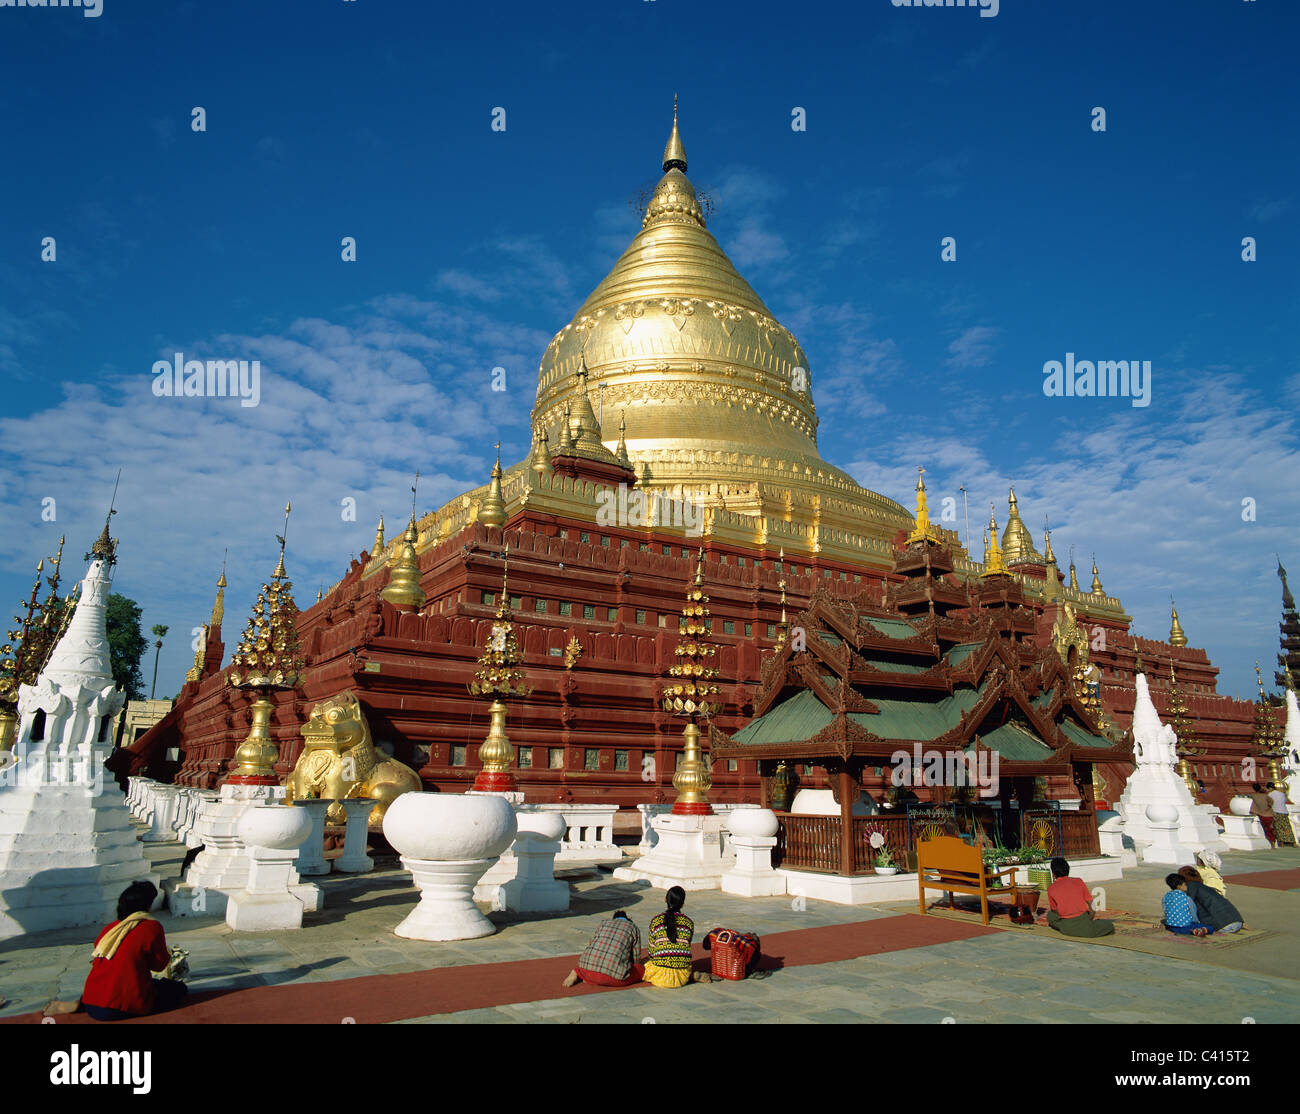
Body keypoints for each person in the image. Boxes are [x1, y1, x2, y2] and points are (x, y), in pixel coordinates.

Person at [45, 881, 188, 1020]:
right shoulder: (152, 927)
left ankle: (80, 1005)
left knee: (115, 983)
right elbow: (158, 965)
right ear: (147, 906)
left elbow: (100, 950)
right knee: (177, 989)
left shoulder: (111, 928)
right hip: (119, 1007)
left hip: (90, 1000)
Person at [643, 886, 712, 987]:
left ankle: (691, 976)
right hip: (682, 975)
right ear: (683, 904)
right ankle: (691, 976)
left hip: (660, 976)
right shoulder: (689, 923)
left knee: (644, 964)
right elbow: (686, 946)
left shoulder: (656, 921)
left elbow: (651, 952)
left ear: (665, 899)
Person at [562, 910, 644, 988]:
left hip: (585, 969)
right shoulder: (633, 928)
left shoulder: (603, 923)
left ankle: (579, 973)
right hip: (613, 977)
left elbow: (592, 943)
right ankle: (594, 979)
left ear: (614, 918)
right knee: (640, 970)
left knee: (594, 967)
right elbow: (636, 958)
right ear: (628, 920)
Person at [1044, 857, 1115, 937]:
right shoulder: (1078, 881)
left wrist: (1066, 912)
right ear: (1067, 870)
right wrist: (1089, 919)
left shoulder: (1051, 888)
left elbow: (1055, 910)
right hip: (1086, 927)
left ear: (1053, 874)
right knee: (1109, 925)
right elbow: (1092, 906)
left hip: (1066, 928)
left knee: (1050, 915)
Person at [1179, 869, 1245, 934]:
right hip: (1237, 921)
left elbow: (1186, 905)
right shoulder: (1204, 887)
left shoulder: (1191, 886)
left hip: (1224, 926)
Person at [1267, 782, 1296, 847]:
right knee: (1287, 827)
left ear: (1270, 788)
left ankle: (1281, 842)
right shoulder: (1282, 794)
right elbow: (1285, 800)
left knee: (1278, 828)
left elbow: (1269, 803)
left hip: (1276, 812)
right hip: (1284, 812)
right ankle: (1292, 841)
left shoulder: (1270, 795)